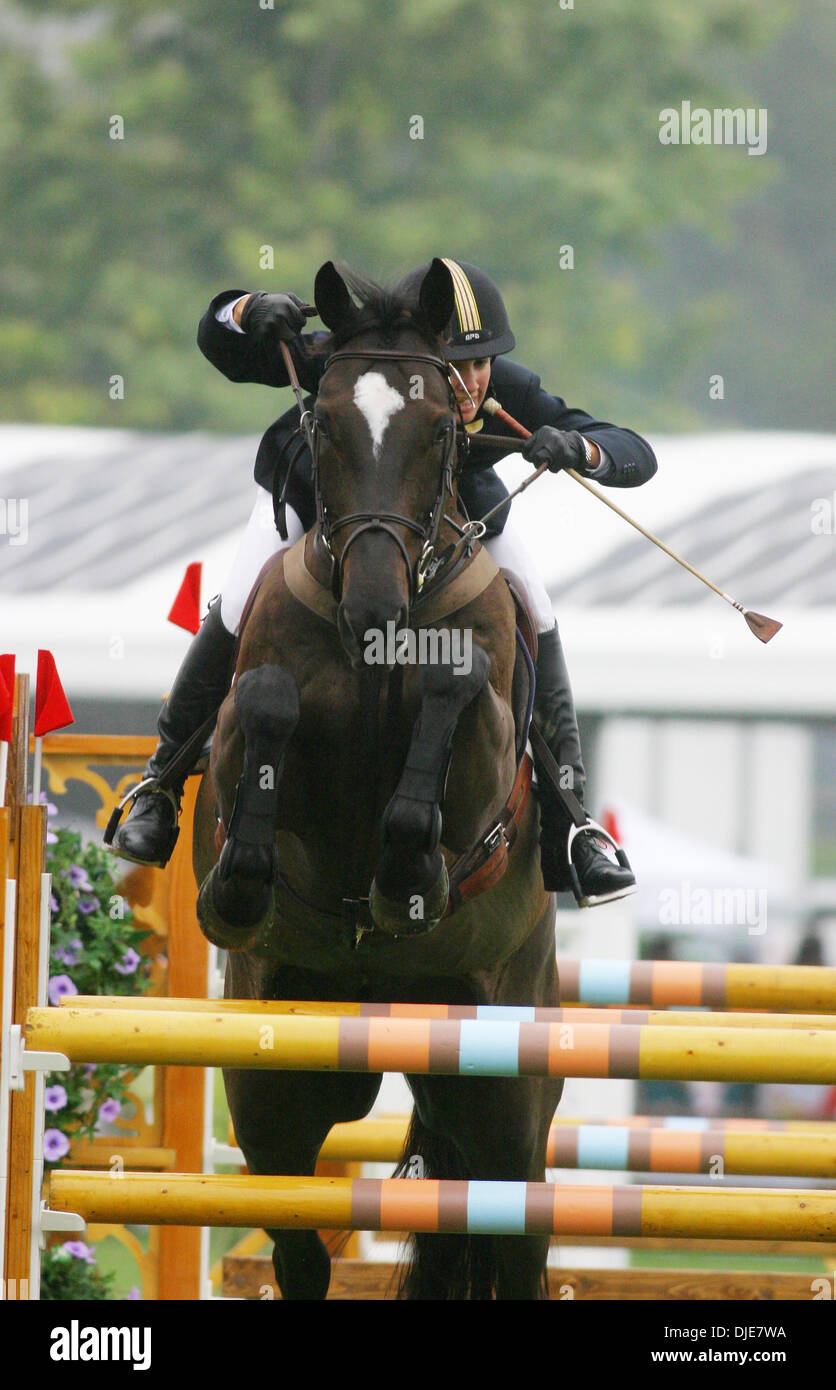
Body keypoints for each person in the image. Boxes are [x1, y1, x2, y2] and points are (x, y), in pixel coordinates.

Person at [111, 258, 657, 906]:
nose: (472, 382)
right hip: (313, 502)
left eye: (483, 363)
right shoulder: (356, 361)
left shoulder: (505, 387)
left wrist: (582, 450)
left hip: (453, 524)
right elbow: (222, 346)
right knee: (236, 604)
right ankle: (160, 786)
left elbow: (634, 451)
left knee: (537, 610)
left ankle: (573, 822)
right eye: (457, 365)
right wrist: (247, 310)